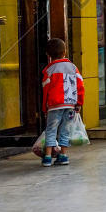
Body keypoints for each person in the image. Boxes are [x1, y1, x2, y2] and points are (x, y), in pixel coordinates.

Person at [39, 37, 84, 166]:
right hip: (70, 104)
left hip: (54, 105)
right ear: (65, 52)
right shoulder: (73, 68)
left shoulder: (49, 70)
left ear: (48, 55)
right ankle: (63, 155)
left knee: (51, 129)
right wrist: (79, 103)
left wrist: (44, 108)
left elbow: (46, 91)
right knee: (66, 129)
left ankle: (47, 156)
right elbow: (80, 86)